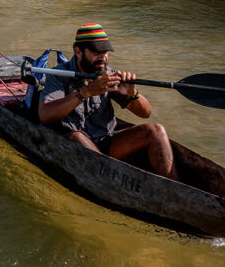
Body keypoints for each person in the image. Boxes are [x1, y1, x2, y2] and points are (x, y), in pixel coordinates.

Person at [38, 23, 177, 180]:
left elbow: (146, 113)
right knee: (77, 137)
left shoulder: (108, 75)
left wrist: (132, 94)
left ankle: (173, 185)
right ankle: (108, 179)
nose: (102, 57)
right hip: (73, 145)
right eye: (96, 52)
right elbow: (45, 114)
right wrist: (86, 92)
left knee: (155, 130)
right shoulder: (58, 75)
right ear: (78, 51)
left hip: (107, 142)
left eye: (105, 52)